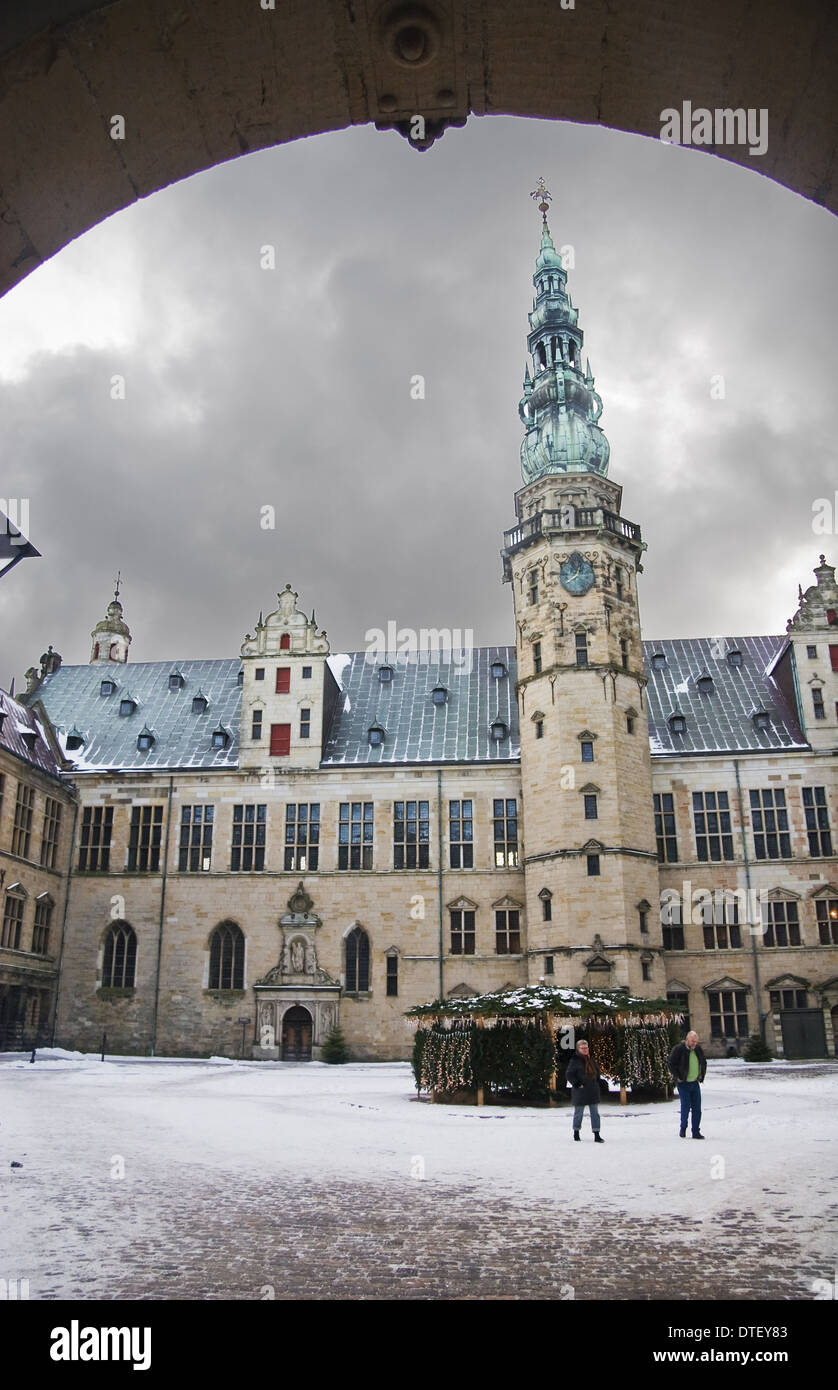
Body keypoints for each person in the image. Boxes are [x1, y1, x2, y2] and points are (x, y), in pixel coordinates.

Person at [668, 1029, 707, 1138]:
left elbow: (703, 1062)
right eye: (692, 1041)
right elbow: (671, 1063)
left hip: (694, 1083)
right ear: (687, 1040)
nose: (694, 1044)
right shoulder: (679, 1049)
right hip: (683, 1083)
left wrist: (701, 1075)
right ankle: (683, 1127)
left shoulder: (698, 1049)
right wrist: (677, 1076)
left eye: (696, 1042)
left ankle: (695, 1131)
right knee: (685, 1106)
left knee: (697, 1109)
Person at [565, 1039, 604, 1142]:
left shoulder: (591, 1059)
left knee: (595, 1113)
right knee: (579, 1113)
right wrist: (577, 1083)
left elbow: (597, 1070)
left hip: (592, 1089)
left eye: (586, 1048)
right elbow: (569, 1074)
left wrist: (598, 1080)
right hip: (580, 1090)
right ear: (578, 1049)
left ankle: (596, 1134)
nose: (585, 1050)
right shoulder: (575, 1060)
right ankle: (576, 1133)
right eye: (583, 1048)